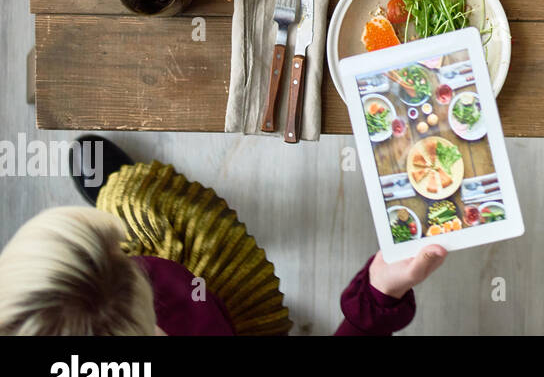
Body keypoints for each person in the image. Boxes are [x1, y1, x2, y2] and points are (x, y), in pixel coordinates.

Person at [0, 136, 445, 335]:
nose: (131, 261)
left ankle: (117, 194)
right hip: (219, 320)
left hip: (186, 295)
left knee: (140, 206)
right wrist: (376, 301)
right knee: (166, 222)